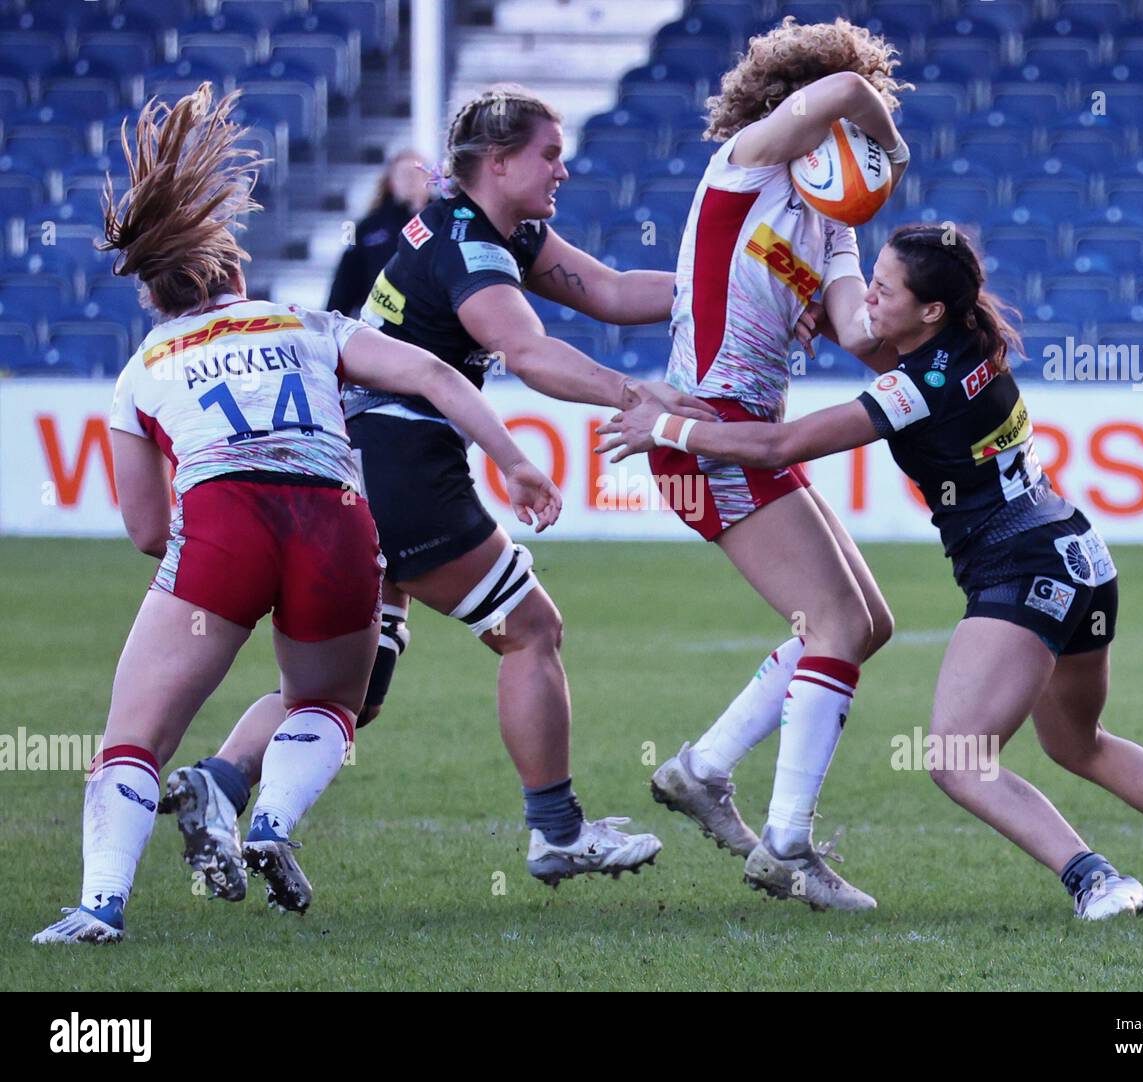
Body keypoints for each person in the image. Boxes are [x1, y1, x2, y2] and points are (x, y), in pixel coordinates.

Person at [156, 81, 778, 898]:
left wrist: (742, 289)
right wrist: (636, 396)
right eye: (548, 155)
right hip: (401, 461)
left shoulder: (489, 231)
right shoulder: (473, 249)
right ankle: (557, 835)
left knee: (347, 692)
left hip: (358, 464)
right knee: (529, 630)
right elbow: (528, 354)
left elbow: (619, 292)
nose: (563, 169)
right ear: (496, 162)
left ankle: (223, 783)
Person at [597, 222, 1143, 920]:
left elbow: (783, 442)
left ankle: (1099, 884)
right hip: (1081, 560)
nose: (868, 294)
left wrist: (667, 428)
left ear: (929, 309)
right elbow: (875, 347)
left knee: (957, 758)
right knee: (1081, 743)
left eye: (883, 287)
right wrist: (816, 282)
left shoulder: (917, 385)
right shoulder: (963, 345)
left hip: (1022, 575)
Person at [32, 84, 561, 943]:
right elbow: (434, 374)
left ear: (159, 293)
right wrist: (516, 460)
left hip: (224, 525)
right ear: (237, 272)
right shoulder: (305, 321)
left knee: (134, 738)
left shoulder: (145, 365)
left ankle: (99, 908)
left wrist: (211, 578)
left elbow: (141, 528)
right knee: (326, 701)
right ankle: (273, 819)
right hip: (341, 519)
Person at [573, 19, 910, 912]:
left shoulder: (832, 225)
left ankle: (704, 769)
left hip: (746, 435)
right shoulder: (747, 164)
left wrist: (919, 318)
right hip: (701, 431)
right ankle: (789, 845)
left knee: (864, 623)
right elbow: (844, 92)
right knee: (836, 624)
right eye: (849, 128)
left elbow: (860, 336)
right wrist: (894, 147)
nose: (854, 141)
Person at [326, 149, 431, 318]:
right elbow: (347, 278)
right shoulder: (366, 227)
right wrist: (332, 320)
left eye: (416, 173)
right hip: (381, 322)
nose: (410, 180)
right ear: (391, 182)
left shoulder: (445, 221)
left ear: (429, 178)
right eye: (403, 174)